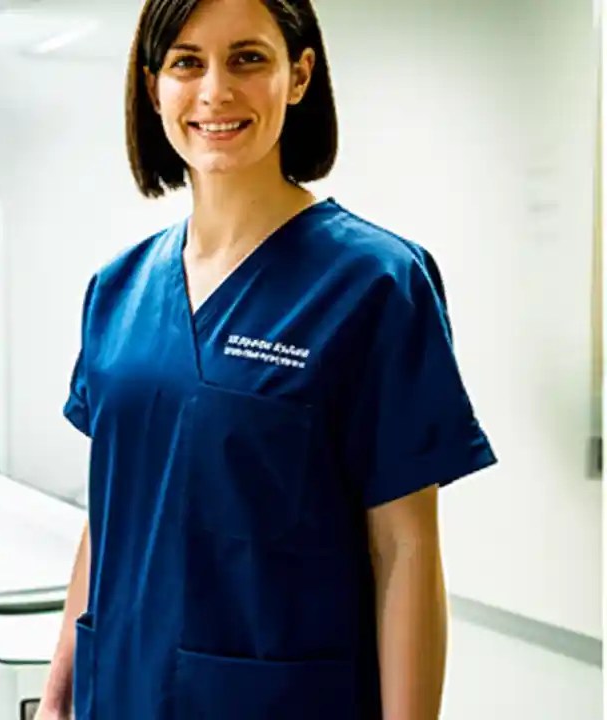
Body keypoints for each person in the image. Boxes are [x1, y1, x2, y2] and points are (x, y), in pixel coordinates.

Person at [35, 0, 498, 718]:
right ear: (154, 85)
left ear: (300, 74)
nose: (216, 90)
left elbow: (403, 550)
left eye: (248, 58)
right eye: (187, 62)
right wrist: (61, 684)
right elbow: (114, 510)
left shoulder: (374, 282)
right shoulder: (116, 288)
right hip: (121, 687)